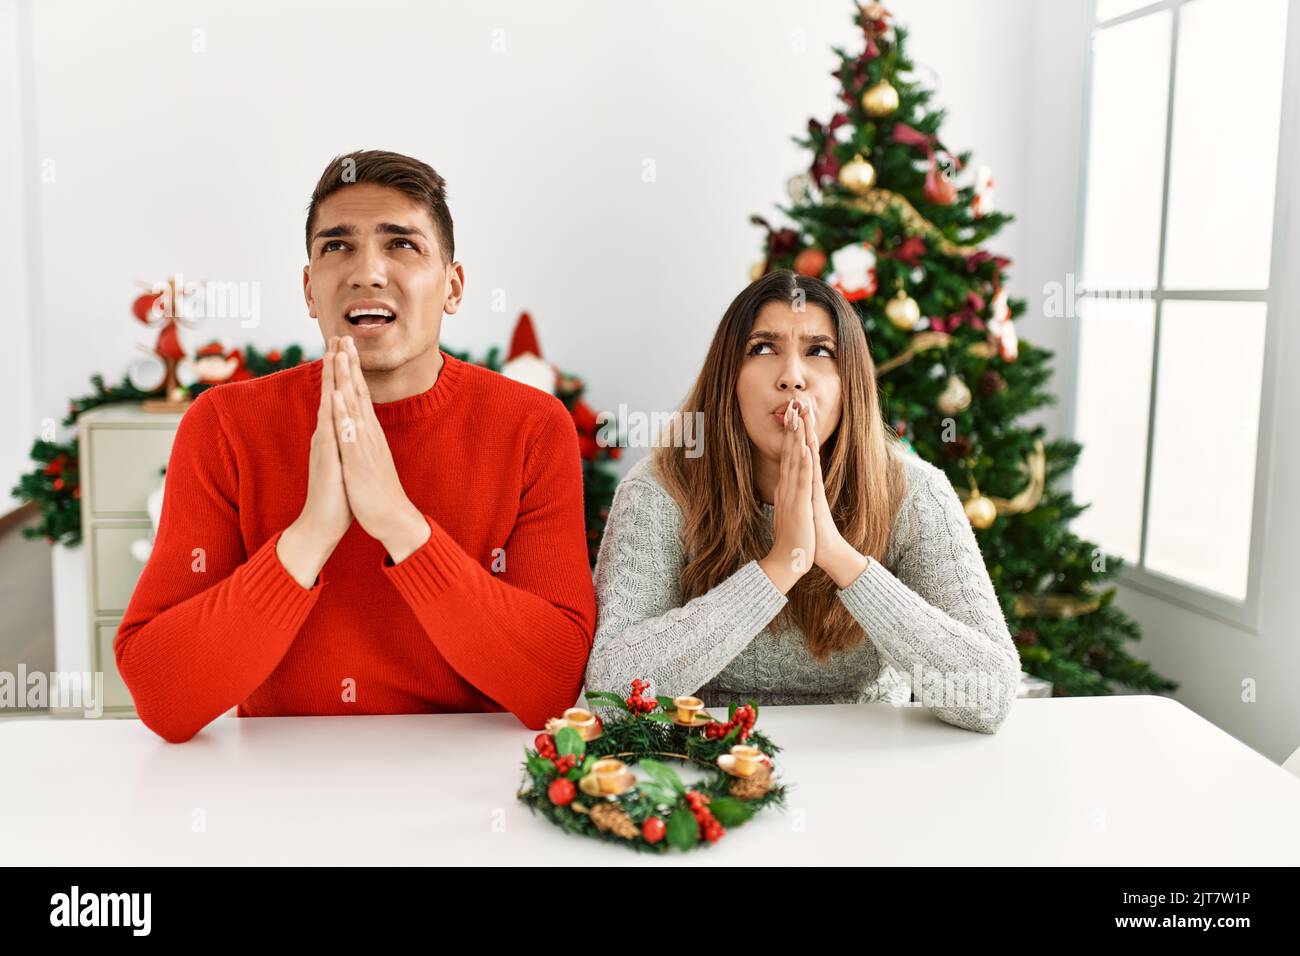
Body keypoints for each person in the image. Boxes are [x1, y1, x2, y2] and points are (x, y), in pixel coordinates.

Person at [116, 150, 596, 743]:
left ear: (453, 286)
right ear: (310, 289)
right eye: (337, 246)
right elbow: (164, 696)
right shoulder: (224, 425)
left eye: (402, 244)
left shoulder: (531, 425)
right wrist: (312, 533)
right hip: (282, 791)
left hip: (473, 787)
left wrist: (398, 522)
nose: (367, 271)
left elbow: (552, 684)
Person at [585, 270, 1020, 733]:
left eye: (819, 351)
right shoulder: (659, 490)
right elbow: (609, 696)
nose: (792, 377)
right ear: (727, 378)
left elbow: (989, 696)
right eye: (763, 348)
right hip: (711, 761)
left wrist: (834, 552)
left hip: (867, 764)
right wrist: (780, 566)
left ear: (848, 381)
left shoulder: (914, 492)